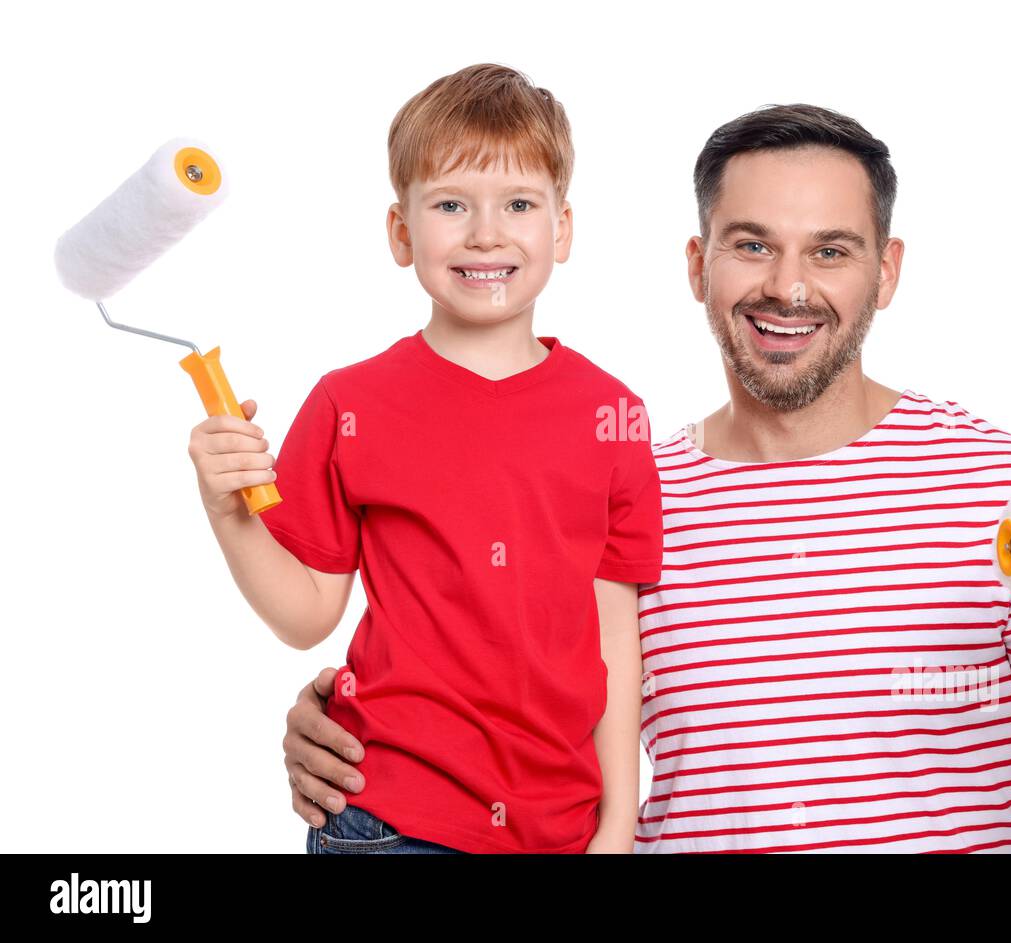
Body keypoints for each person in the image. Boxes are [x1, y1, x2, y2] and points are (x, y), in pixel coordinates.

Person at [282, 103, 1011, 853]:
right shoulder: (618, 485)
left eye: (831, 251)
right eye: (751, 245)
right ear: (697, 265)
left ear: (888, 271)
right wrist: (348, 729)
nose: (788, 287)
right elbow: (485, 671)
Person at [190, 63, 662, 854]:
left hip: (563, 828)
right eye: (451, 205)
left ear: (563, 228)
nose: (486, 233)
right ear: (402, 232)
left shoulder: (612, 415)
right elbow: (306, 614)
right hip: (390, 820)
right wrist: (227, 510)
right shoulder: (350, 403)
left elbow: (616, 633)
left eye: (519, 204)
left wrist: (618, 823)